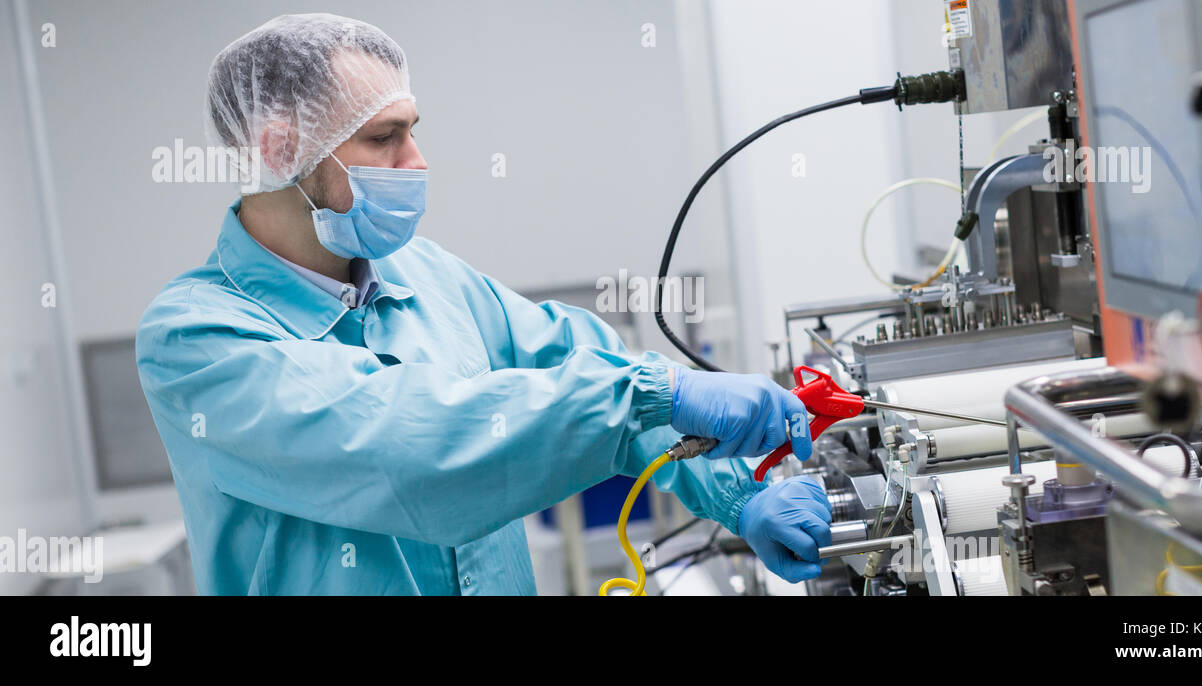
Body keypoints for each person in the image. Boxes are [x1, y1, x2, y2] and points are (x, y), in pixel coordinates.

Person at [136, 13, 830, 595]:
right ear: (280, 148)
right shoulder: (197, 339)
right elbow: (409, 451)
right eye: (384, 137)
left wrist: (744, 494)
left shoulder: (429, 278)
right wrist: (654, 394)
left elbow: (587, 363)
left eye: (412, 129)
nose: (417, 161)